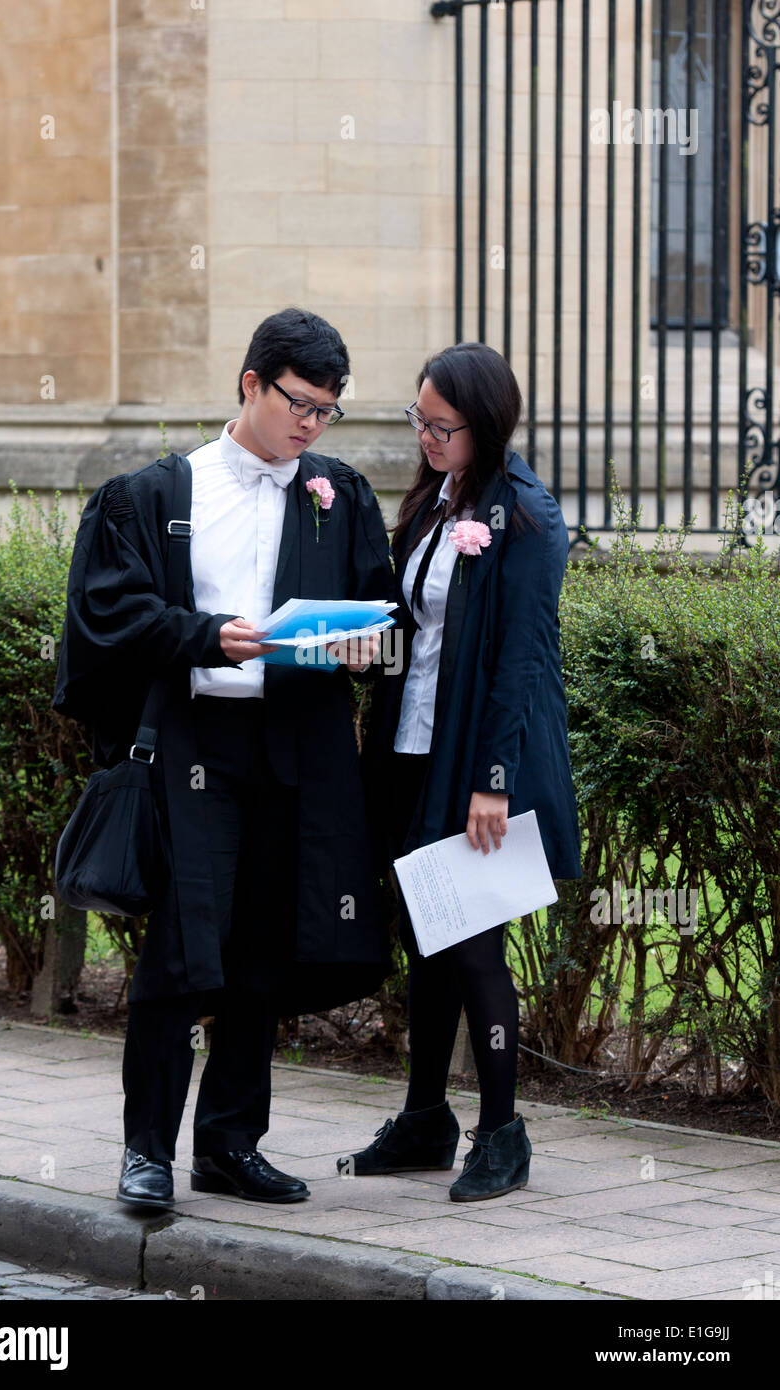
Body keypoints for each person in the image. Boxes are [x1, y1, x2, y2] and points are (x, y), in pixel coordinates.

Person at [52, 307, 397, 1208]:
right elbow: (107, 617)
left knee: (262, 954)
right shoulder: (157, 494)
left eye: (328, 411)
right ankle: (146, 1154)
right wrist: (210, 637)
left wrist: (361, 644)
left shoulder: (339, 493)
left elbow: (377, 605)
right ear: (251, 384)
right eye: (299, 404)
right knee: (180, 953)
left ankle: (229, 1145)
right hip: (193, 747)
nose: (310, 426)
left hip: (294, 749)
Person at [344, 342, 582, 1202]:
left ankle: (503, 1134)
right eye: (419, 420)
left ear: (482, 424)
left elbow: (522, 659)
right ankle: (423, 1120)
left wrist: (493, 778)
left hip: (476, 766)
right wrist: (364, 651)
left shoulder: (524, 516)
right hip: (410, 753)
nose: (425, 436)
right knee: (427, 941)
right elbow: (417, 630)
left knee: (475, 948)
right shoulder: (434, 505)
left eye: (439, 425)